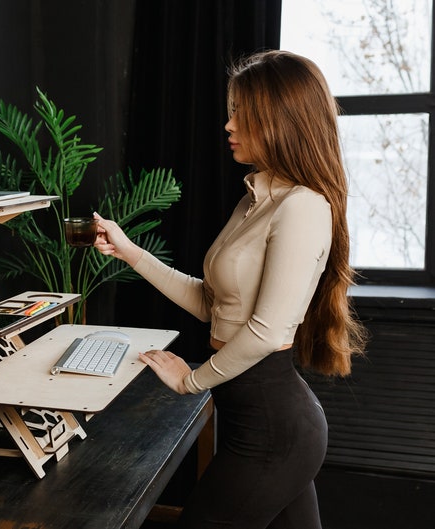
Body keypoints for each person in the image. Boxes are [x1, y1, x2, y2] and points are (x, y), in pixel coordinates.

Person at [93, 50, 367, 529]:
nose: (228, 124)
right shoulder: (255, 200)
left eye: (242, 111)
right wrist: (130, 252)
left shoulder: (302, 208)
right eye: (232, 109)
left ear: (281, 118)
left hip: (273, 429)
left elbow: (264, 332)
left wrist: (190, 381)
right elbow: (208, 302)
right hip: (252, 417)